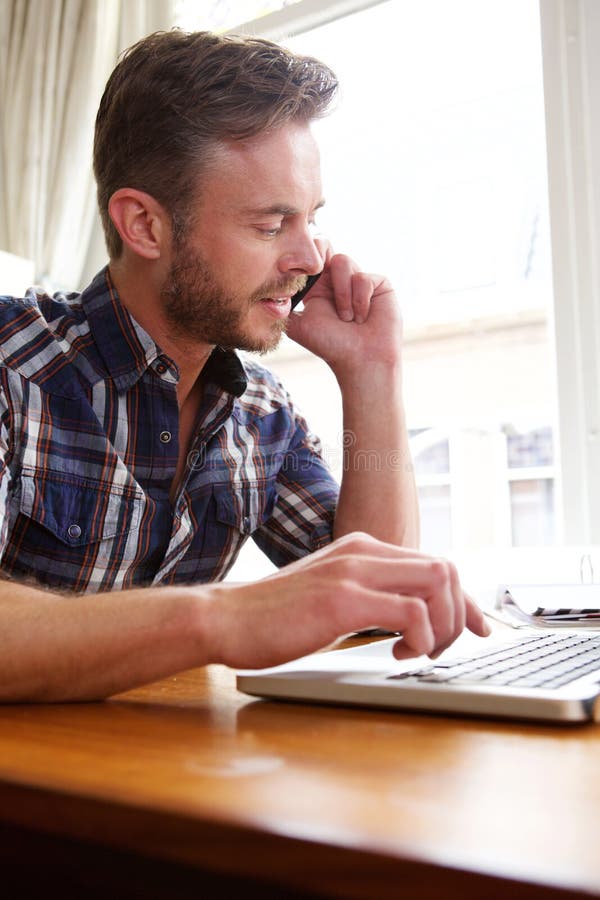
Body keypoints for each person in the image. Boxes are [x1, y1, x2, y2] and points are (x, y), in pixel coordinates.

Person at [0, 30, 489, 702]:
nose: (311, 259)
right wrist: (223, 618)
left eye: (311, 218)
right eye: (271, 224)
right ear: (144, 225)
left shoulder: (262, 415)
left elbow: (380, 600)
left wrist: (373, 375)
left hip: (162, 779)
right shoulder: (11, 363)